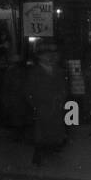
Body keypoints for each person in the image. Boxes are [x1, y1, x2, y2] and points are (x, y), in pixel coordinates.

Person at [26, 38, 69, 166]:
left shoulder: (59, 71)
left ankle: (51, 153)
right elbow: (29, 91)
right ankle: (38, 156)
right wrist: (35, 104)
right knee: (41, 133)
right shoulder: (34, 72)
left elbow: (64, 88)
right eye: (46, 55)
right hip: (42, 107)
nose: (50, 57)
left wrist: (62, 99)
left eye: (52, 54)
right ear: (40, 57)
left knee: (54, 132)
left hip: (56, 106)